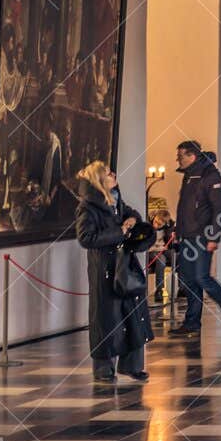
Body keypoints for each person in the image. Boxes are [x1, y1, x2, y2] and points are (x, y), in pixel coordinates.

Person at [75, 160, 152, 383]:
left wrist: (133, 220)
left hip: (124, 265)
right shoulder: (88, 207)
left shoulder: (116, 199)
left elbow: (133, 213)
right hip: (105, 270)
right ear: (100, 180)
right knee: (106, 319)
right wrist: (119, 231)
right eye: (109, 173)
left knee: (133, 315)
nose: (114, 175)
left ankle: (132, 366)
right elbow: (86, 238)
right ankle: (103, 370)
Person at [172, 140, 221, 337]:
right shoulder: (188, 176)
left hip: (203, 236)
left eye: (180, 156)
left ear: (191, 155)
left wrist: (214, 236)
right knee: (187, 279)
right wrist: (177, 232)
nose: (178, 159)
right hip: (186, 236)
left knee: (202, 277)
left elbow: (219, 209)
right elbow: (183, 208)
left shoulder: (210, 175)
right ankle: (192, 322)